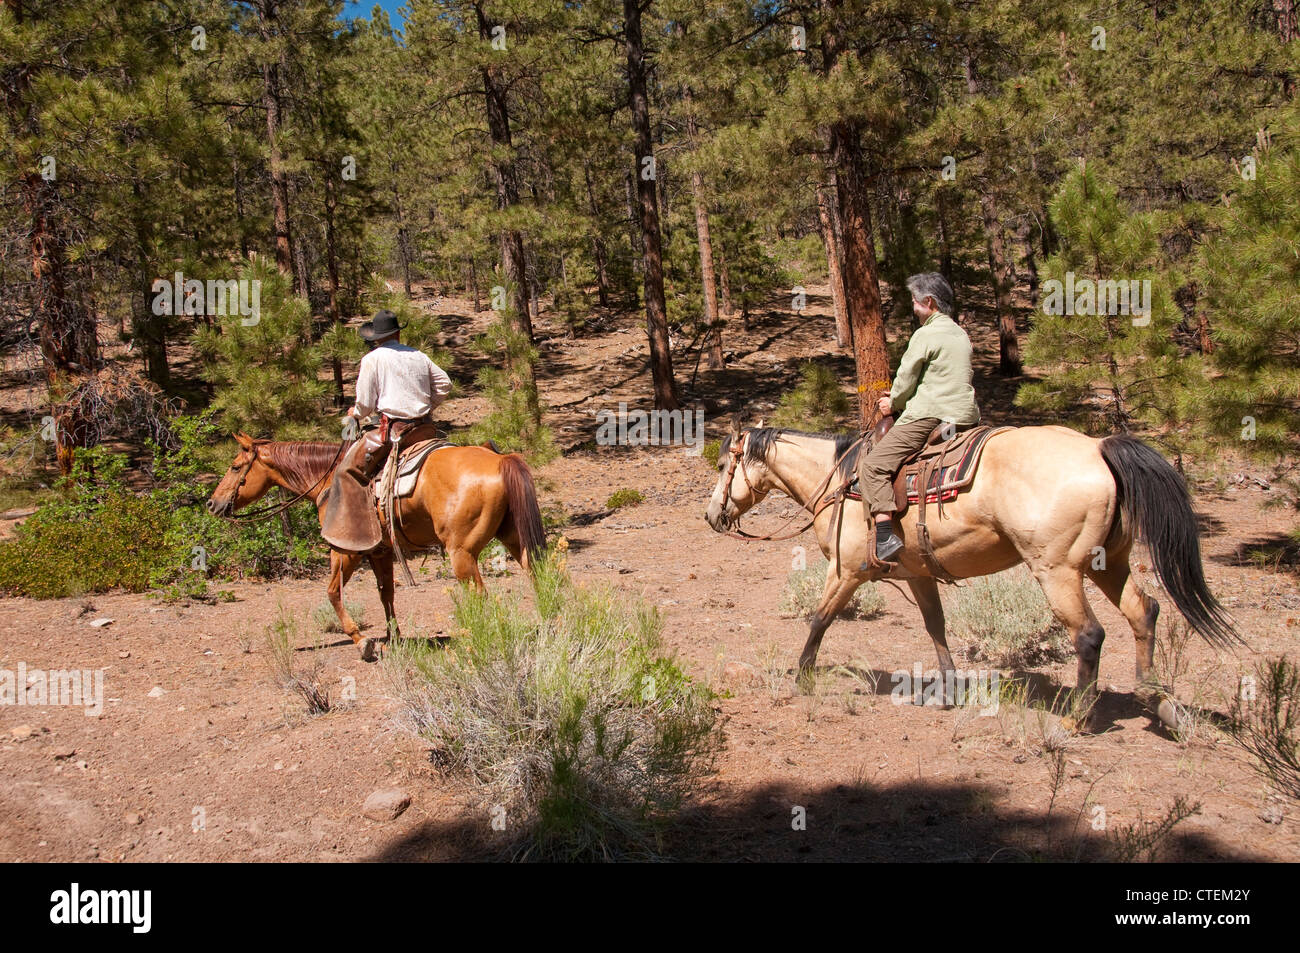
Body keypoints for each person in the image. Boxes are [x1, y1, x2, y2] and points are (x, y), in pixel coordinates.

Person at [859, 272, 979, 564]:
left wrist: (893, 402)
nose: (913, 308)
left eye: (914, 302)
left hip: (930, 415)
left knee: (873, 466)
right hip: (965, 415)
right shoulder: (960, 334)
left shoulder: (925, 334)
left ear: (929, 302)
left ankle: (886, 535)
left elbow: (906, 377)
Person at [320, 309, 452, 552]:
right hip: (424, 428)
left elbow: (366, 403)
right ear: (398, 332)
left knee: (347, 471)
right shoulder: (419, 356)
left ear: (376, 337)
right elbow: (445, 383)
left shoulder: (372, 359)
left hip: (394, 431)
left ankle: (357, 533)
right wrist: (425, 405)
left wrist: (355, 414)